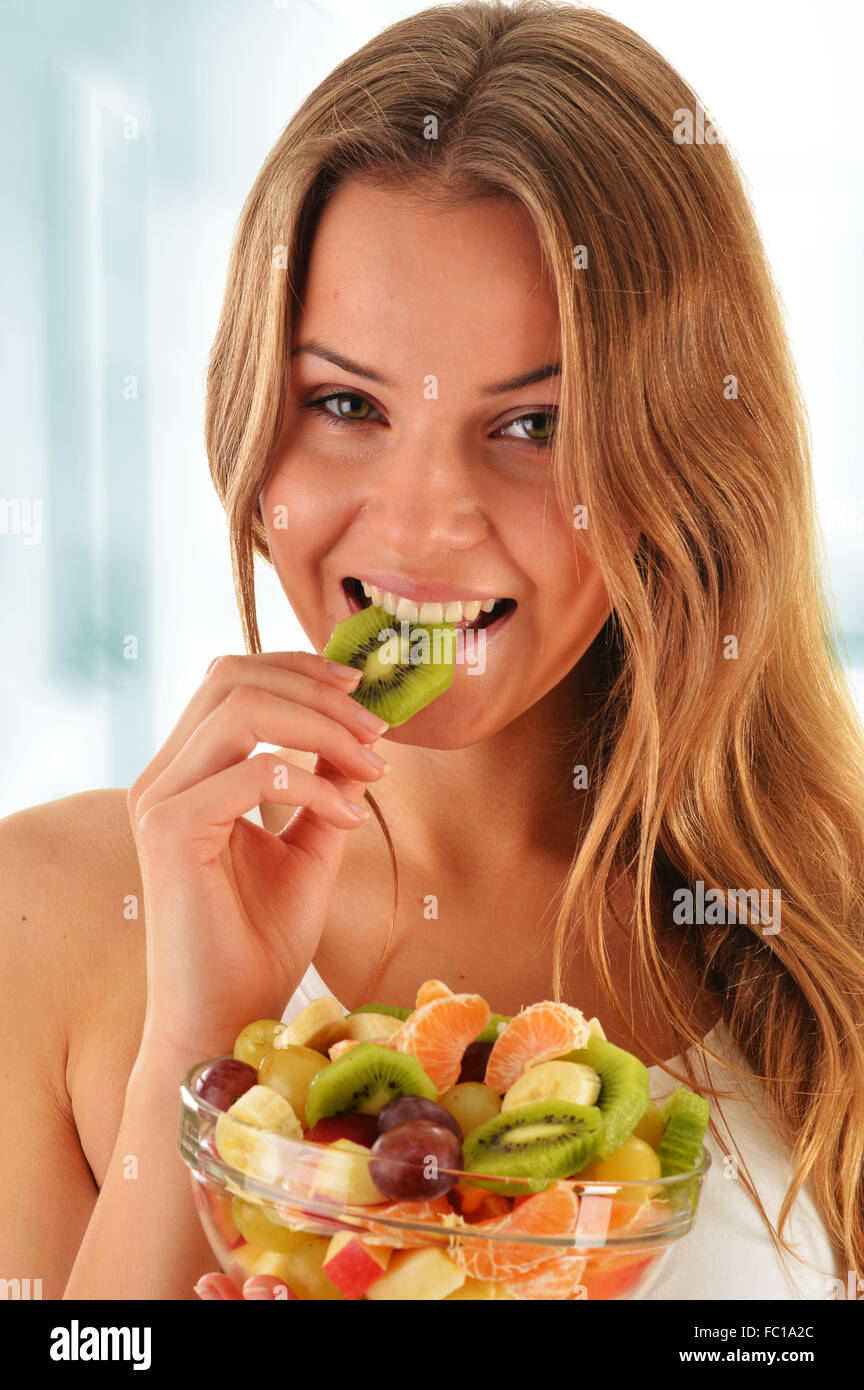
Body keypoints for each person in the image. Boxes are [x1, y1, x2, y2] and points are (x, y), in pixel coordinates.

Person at [1, 0, 861, 1303]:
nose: (419, 525)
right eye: (345, 402)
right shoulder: (41, 918)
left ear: (680, 456)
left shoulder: (833, 930)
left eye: (530, 425)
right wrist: (197, 1037)